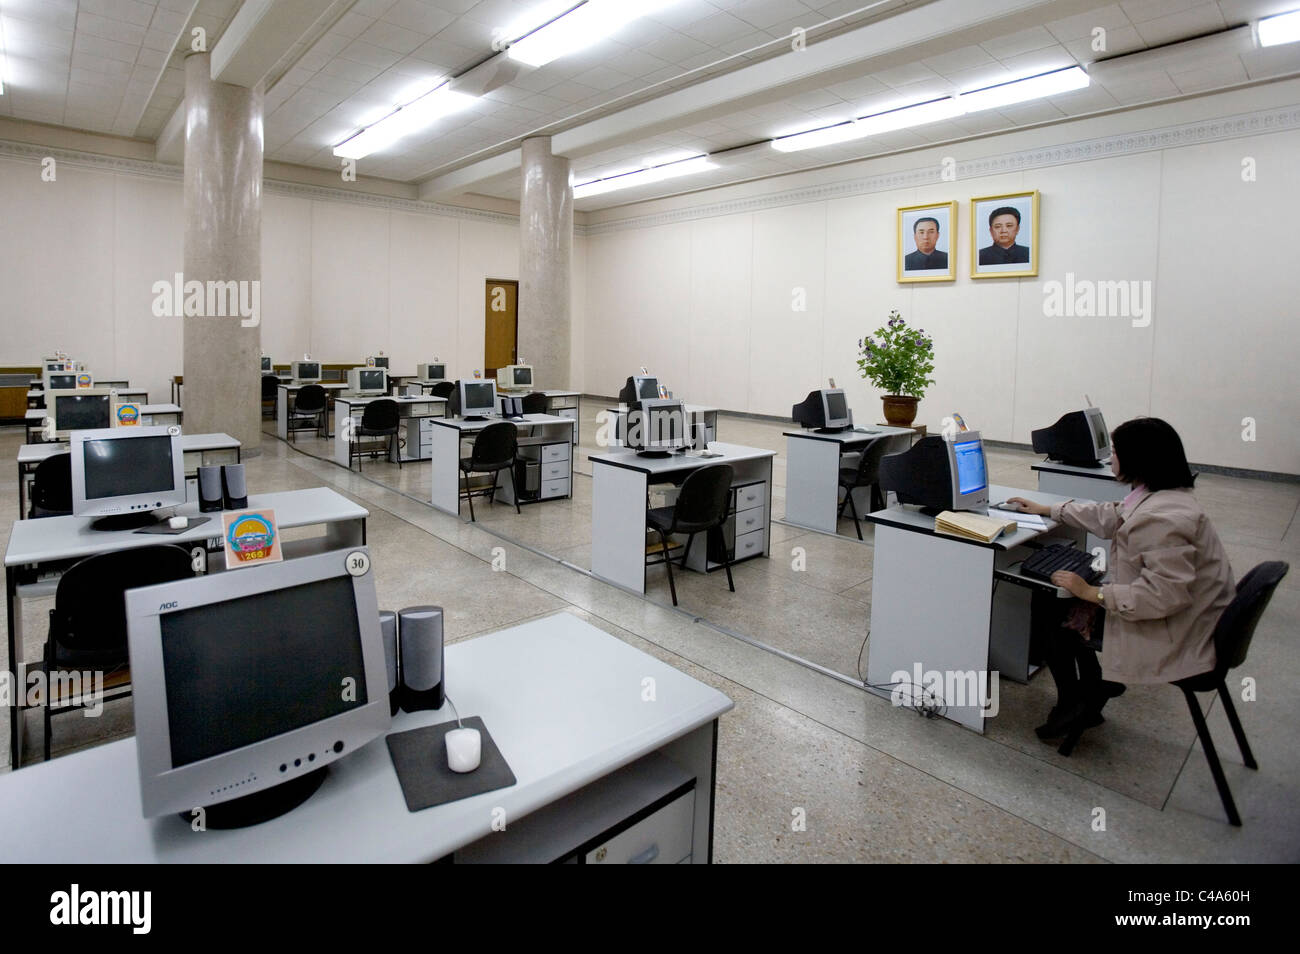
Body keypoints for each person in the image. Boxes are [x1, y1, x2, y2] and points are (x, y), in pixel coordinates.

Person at [1007, 418, 1235, 740]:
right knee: (1060, 598)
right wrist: (1049, 509)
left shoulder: (1162, 518)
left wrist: (1092, 593)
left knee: (1050, 605)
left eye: (1115, 452)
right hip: (1188, 619)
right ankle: (1092, 686)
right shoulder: (1163, 496)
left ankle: (1077, 699)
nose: (1110, 458)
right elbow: (1113, 515)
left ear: (1138, 460)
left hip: (1175, 631)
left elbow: (1164, 596)